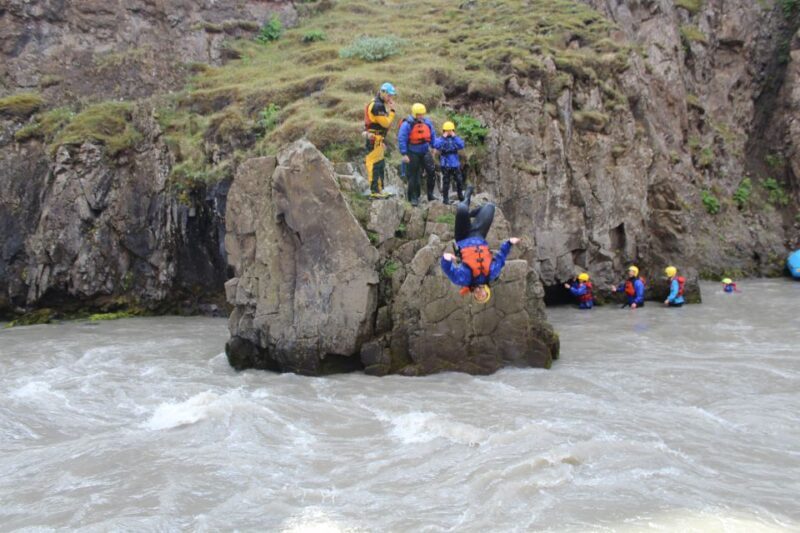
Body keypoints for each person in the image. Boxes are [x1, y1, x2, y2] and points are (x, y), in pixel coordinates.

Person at [440, 187, 519, 303]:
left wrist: (446, 260)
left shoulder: (465, 280)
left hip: (463, 238)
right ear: (487, 290)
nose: (480, 293)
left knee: (462, 209)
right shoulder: (492, 273)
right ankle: (472, 214)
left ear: (474, 295)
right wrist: (509, 243)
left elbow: (450, 272)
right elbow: (501, 258)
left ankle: (466, 197)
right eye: (483, 295)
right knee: (490, 207)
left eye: (478, 296)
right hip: (479, 235)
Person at [398, 103, 436, 206]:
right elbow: (402, 139)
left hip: (425, 150)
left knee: (431, 171)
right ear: (414, 114)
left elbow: (432, 134)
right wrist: (404, 154)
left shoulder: (427, 123)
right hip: (412, 152)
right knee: (413, 175)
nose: (421, 116)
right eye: (419, 114)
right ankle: (413, 197)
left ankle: (430, 194)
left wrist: (433, 147)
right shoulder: (407, 124)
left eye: (422, 114)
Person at [364, 82, 396, 198]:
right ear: (382, 92)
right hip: (374, 139)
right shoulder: (377, 105)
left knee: (380, 164)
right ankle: (375, 191)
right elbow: (385, 123)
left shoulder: (379, 104)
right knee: (374, 164)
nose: (390, 98)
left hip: (378, 139)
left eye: (392, 96)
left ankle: (379, 190)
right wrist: (392, 112)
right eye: (389, 95)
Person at [432, 121, 466, 204]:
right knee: (446, 181)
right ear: (444, 131)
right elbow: (436, 145)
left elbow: (461, 145)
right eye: (447, 131)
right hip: (445, 163)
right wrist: (444, 137)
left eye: (450, 131)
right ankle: (445, 198)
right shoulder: (441, 139)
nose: (449, 133)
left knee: (459, 180)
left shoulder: (455, 139)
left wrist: (454, 136)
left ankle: (460, 195)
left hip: (455, 162)